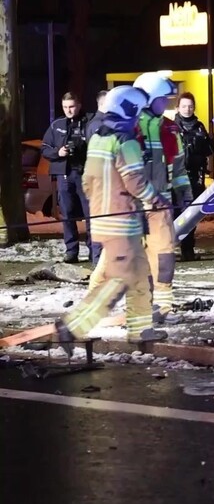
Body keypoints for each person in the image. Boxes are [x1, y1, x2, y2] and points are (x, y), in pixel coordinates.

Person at [54, 85, 171, 349]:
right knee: (118, 281)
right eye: (137, 110)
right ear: (128, 109)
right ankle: (73, 325)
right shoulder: (124, 140)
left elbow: (87, 181)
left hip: (105, 220)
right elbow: (135, 181)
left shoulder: (98, 138)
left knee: (139, 273)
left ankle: (140, 330)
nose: (139, 116)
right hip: (123, 222)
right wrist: (157, 200)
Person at [132, 72, 192, 325]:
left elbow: (178, 168)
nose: (167, 104)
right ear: (147, 99)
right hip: (130, 209)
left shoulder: (170, 129)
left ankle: (162, 305)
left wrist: (185, 195)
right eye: (162, 99)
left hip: (160, 207)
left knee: (165, 254)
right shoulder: (127, 128)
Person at [41, 92, 96, 263]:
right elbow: (44, 148)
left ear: (79, 105)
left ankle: (94, 250)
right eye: (65, 107)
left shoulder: (90, 121)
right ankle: (71, 251)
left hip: (85, 175)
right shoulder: (57, 124)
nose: (68, 110)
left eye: (71, 106)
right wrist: (58, 152)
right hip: (64, 174)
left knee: (90, 215)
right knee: (67, 214)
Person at [174, 92, 213, 261]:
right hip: (175, 178)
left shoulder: (199, 127)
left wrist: (203, 143)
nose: (187, 109)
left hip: (195, 177)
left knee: (191, 215)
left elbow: (209, 150)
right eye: (184, 106)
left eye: (190, 106)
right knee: (175, 214)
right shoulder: (171, 127)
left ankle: (187, 250)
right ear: (178, 108)